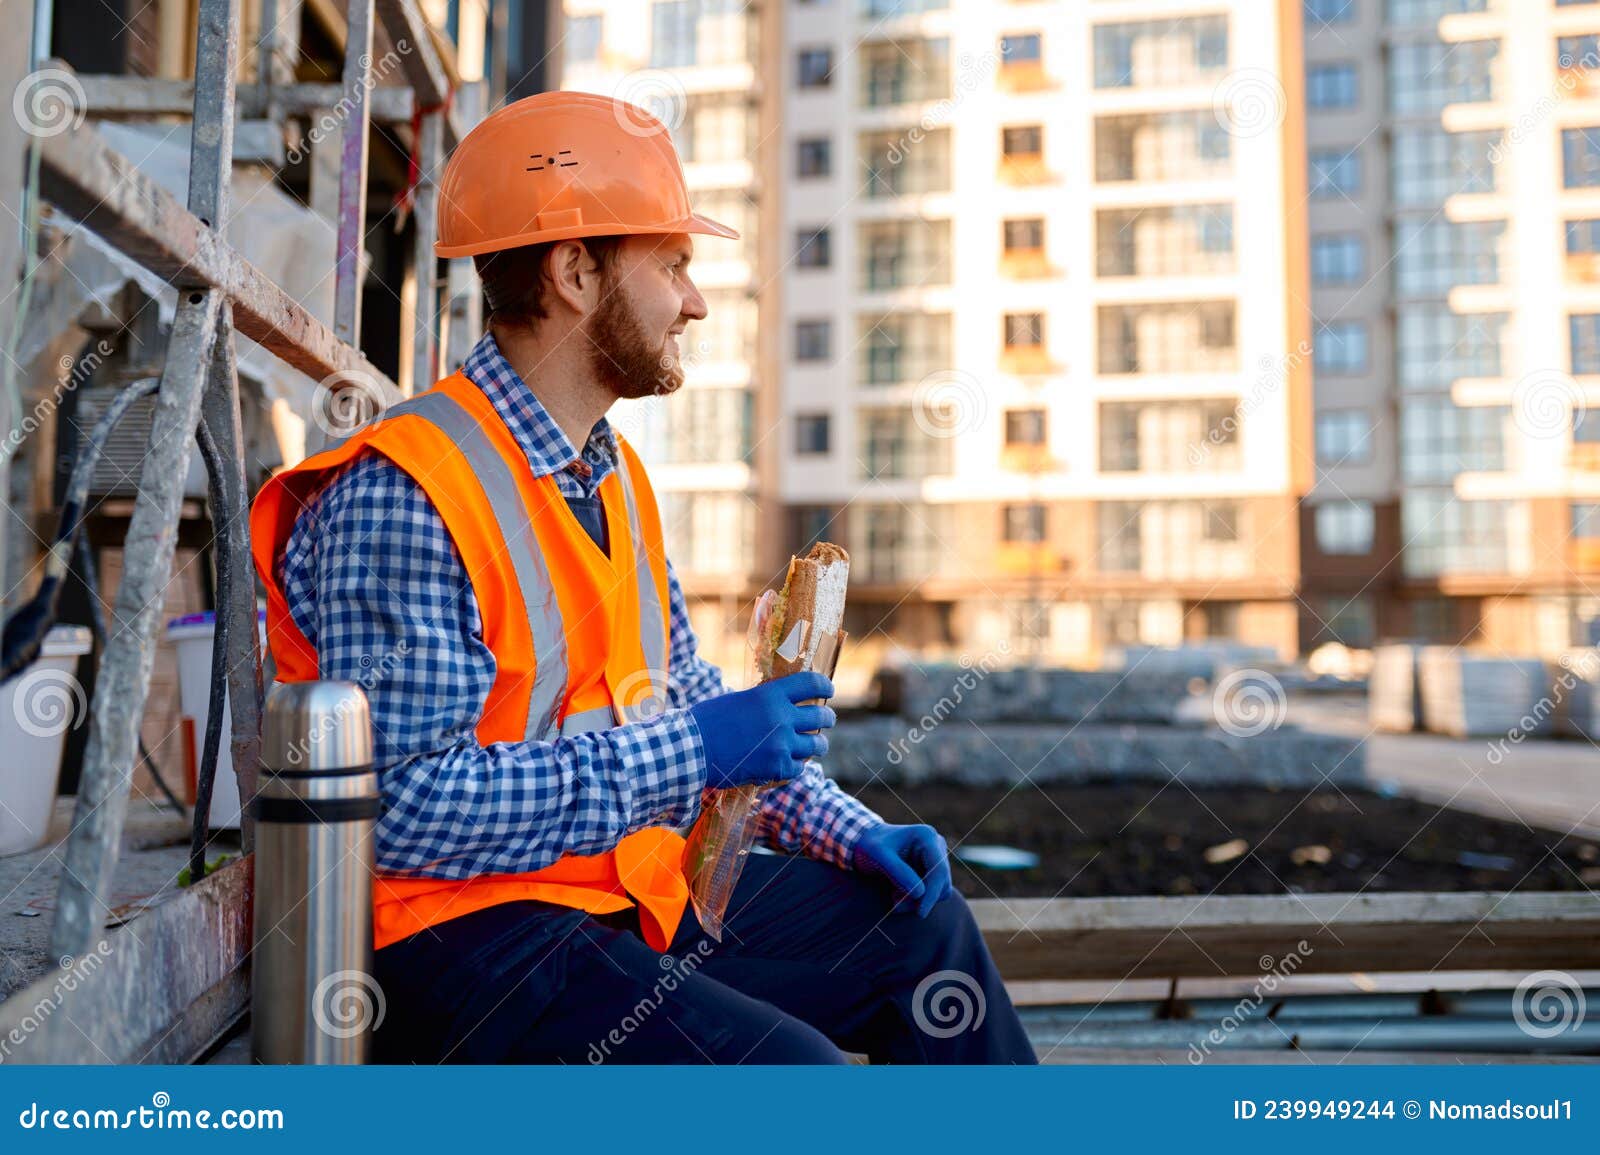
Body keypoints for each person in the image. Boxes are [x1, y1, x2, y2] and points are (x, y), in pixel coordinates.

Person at [250, 91, 1036, 1064]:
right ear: (576, 271)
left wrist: (844, 825)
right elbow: (405, 810)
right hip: (457, 941)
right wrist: (697, 749)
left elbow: (684, 702)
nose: (695, 302)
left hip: (605, 891)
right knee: (795, 1081)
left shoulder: (611, 474)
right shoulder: (408, 490)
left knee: (927, 938)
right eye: (672, 266)